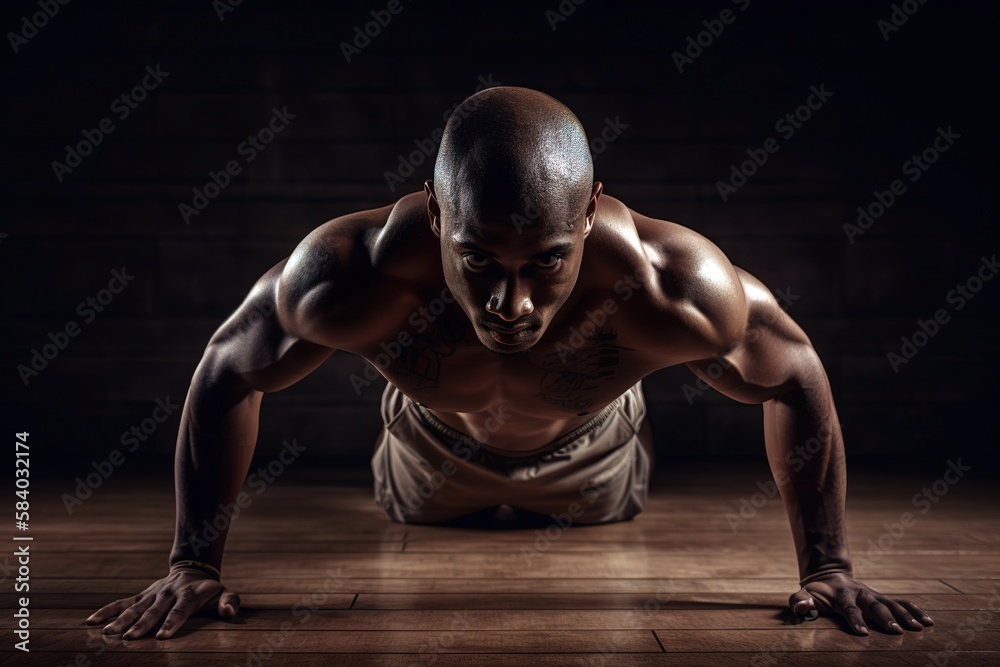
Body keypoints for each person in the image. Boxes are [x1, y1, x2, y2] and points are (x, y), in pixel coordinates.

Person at [86, 86, 933, 640]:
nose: (512, 304)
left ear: (591, 213)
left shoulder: (672, 286)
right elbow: (229, 366)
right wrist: (192, 564)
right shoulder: (352, 272)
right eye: (480, 261)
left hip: (595, 465)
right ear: (434, 209)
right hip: (425, 462)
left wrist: (828, 567)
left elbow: (795, 372)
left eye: (547, 264)